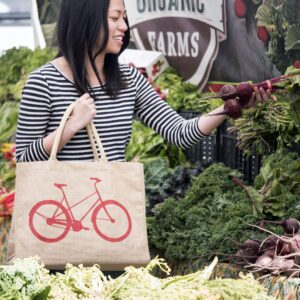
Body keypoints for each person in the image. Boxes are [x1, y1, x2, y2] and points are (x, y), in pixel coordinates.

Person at [15, 0, 275, 163]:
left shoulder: (128, 80)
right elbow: (24, 159)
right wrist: (70, 128)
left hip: (109, 215)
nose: (124, 26)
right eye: (115, 17)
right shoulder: (44, 82)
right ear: (86, 20)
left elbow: (180, 133)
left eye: (124, 18)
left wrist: (231, 106)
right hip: (58, 216)